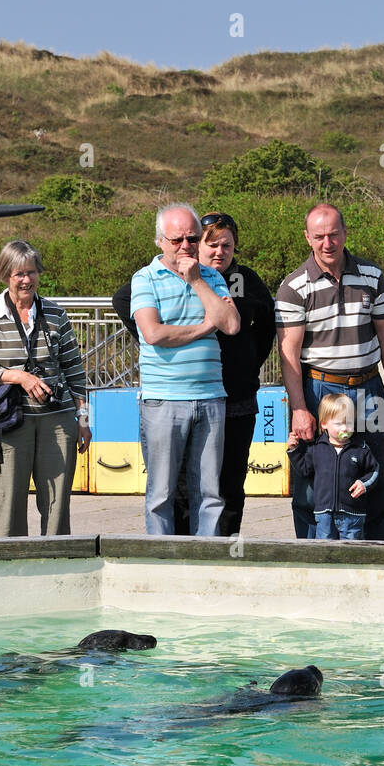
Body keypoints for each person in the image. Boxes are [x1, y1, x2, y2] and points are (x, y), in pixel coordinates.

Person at [275, 203, 384, 540]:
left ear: (345, 233)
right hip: (320, 392)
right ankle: (316, 557)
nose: (327, 243)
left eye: (333, 234)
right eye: (319, 237)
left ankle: (378, 557)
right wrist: (300, 409)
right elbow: (289, 353)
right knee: (314, 483)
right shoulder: (294, 287)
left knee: (376, 474)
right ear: (307, 238)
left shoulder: (372, 275)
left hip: (369, 387)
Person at [0, 240, 91, 537]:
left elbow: (75, 370)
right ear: (5, 275)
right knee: (9, 503)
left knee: (57, 505)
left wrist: (83, 420)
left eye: (32, 272)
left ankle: (57, 565)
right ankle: (10, 567)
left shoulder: (55, 314)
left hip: (57, 421)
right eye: (18, 273)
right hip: (9, 420)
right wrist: (19, 377)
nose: (26, 280)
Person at [130, 203, 239, 536]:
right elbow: (154, 334)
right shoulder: (145, 278)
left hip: (210, 398)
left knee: (210, 494)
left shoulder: (211, 277)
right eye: (177, 240)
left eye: (193, 238)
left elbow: (232, 324)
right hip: (163, 400)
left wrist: (196, 282)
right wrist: (206, 327)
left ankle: (205, 564)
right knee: (160, 494)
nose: (186, 246)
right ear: (160, 241)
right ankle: (161, 564)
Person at [170, 212, 276, 537]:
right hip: (190, 397)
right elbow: (124, 300)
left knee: (230, 486)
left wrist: (247, 365)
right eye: (211, 244)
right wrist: (158, 341)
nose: (219, 252)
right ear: (196, 246)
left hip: (236, 402)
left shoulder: (247, 280)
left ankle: (227, 554)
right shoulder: (174, 275)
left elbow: (268, 327)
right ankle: (183, 556)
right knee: (187, 486)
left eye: (226, 245)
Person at [286, 393, 379, 540]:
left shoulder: (360, 448)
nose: (345, 428)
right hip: (324, 514)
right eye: (339, 423)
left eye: (349, 423)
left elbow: (374, 470)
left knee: (352, 552)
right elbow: (303, 469)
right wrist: (294, 450)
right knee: (325, 551)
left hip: (352, 514)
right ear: (324, 424)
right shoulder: (317, 448)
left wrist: (363, 483)